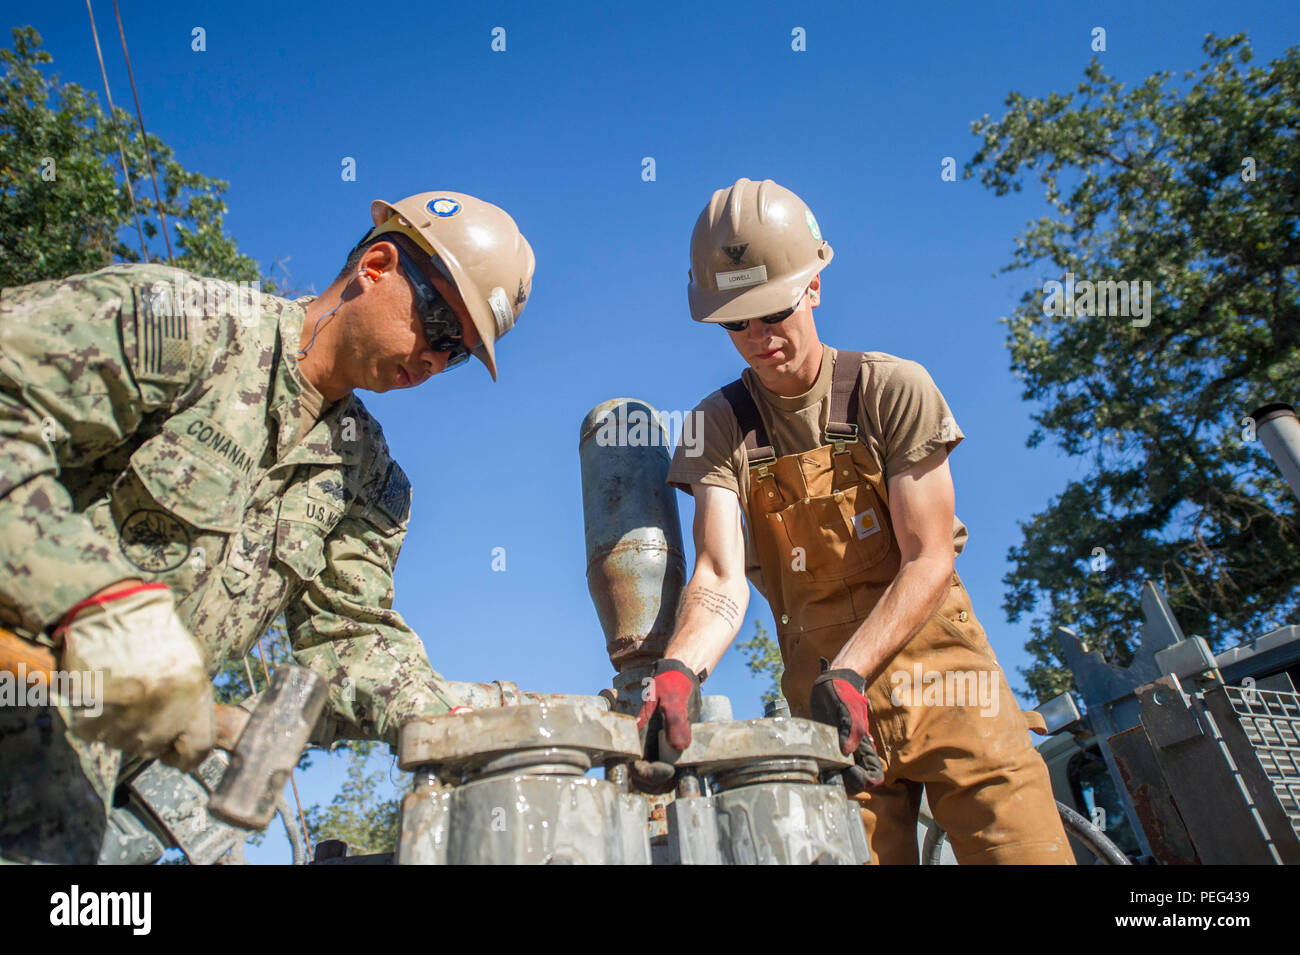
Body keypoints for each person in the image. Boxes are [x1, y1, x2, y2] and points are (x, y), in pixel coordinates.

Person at [0, 190, 534, 864]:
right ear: (376, 266)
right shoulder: (182, 325)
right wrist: (97, 601)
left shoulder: (370, 478)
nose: (434, 359)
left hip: (61, 804)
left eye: (457, 354)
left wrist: (440, 719)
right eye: (439, 325)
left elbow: (348, 637)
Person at [638, 177, 1072, 864]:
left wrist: (851, 671)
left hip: (954, 694)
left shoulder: (891, 389)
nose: (758, 338)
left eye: (772, 311)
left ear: (812, 286)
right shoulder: (714, 427)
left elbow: (929, 556)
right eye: (736, 323)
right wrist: (678, 672)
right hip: (830, 725)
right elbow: (720, 575)